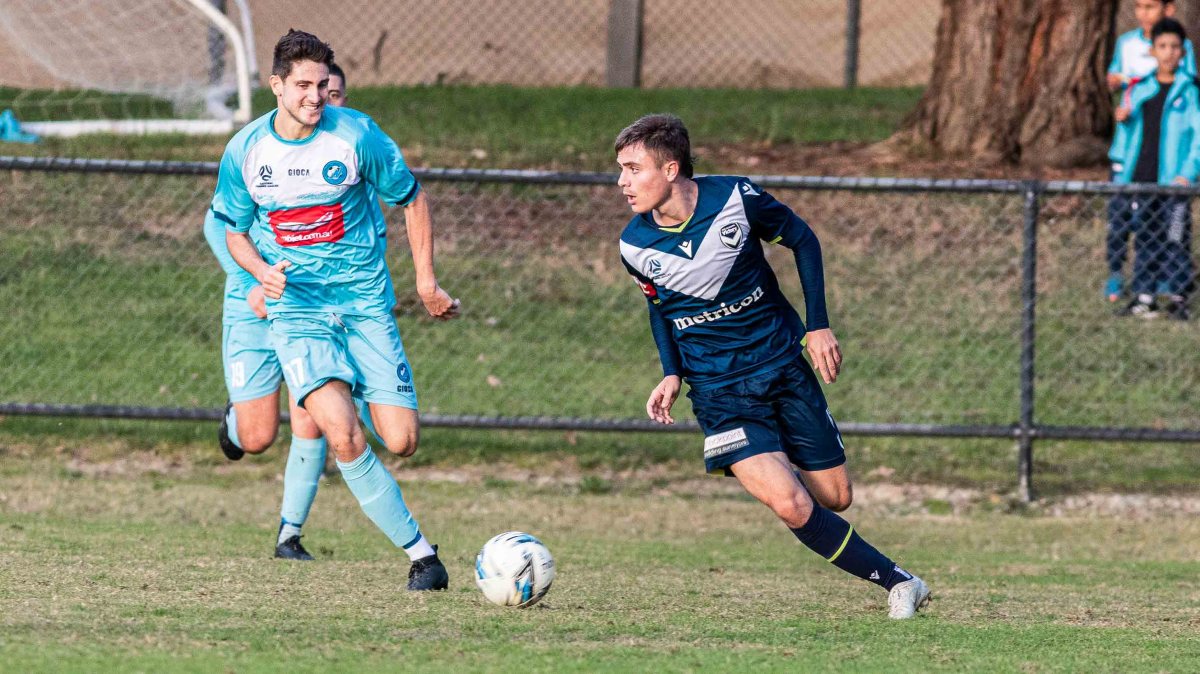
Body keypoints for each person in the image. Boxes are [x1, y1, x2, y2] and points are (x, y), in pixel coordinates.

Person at [614, 114, 930, 619]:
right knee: (792, 504)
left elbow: (803, 239)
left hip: (782, 367)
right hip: (719, 392)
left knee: (836, 497)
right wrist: (672, 372)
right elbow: (661, 310)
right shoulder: (635, 245)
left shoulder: (737, 199)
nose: (623, 183)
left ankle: (786, 473)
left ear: (670, 168)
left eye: (633, 169)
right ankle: (901, 583)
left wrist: (817, 325)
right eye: (621, 171)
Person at [212, 30, 460, 591]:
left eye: (322, 85)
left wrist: (425, 283)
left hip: (365, 307)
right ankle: (423, 558)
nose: (315, 96)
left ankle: (353, 401)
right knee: (343, 436)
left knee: (400, 440)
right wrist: (258, 271)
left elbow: (412, 198)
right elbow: (232, 229)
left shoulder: (358, 135)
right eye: (303, 85)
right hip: (297, 315)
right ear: (276, 86)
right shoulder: (246, 150)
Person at [205, 60, 377, 563]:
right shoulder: (259, 151)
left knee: (315, 418)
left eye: (337, 93)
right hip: (254, 307)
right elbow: (219, 228)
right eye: (320, 90)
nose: (327, 101)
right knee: (257, 437)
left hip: (313, 312)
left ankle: (289, 534)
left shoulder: (350, 165)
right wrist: (254, 279)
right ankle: (234, 423)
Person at [1105, 0, 1196, 303]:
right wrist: (1124, 116)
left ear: (1182, 52)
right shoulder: (1141, 86)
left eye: (1174, 47)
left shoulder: (1189, 91)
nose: (1168, 53)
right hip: (1142, 173)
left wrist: (1188, 172)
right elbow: (1131, 128)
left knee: (1174, 236)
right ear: (1152, 51)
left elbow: (1195, 136)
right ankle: (1141, 293)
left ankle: (1177, 293)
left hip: (1173, 177)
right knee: (1141, 233)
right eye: (1162, 47)